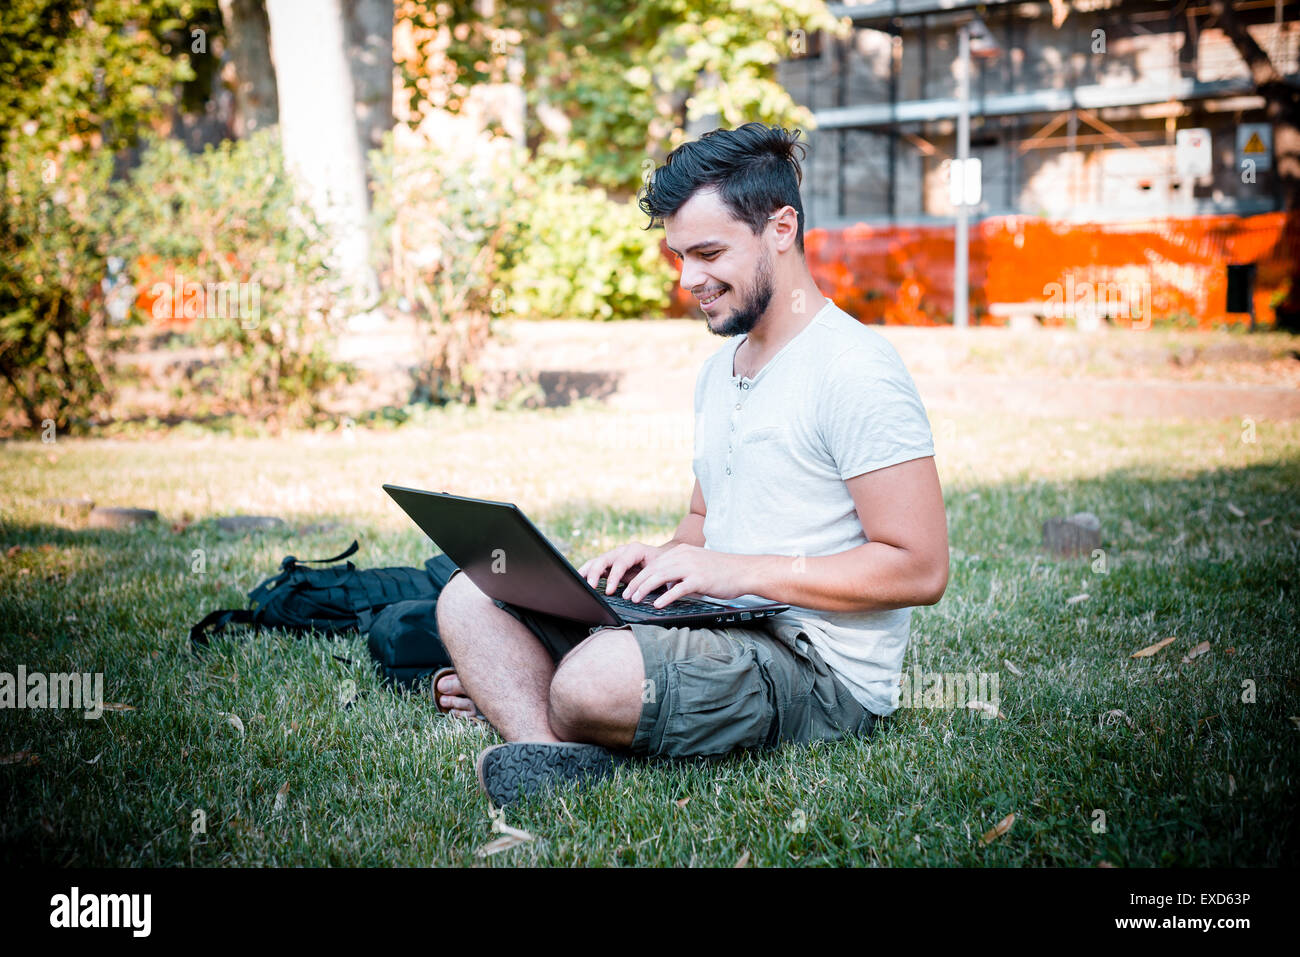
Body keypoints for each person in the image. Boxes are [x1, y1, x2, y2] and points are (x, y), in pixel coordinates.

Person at [434, 122, 949, 807]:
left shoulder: (856, 371)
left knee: (592, 682)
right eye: (679, 255)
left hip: (814, 665)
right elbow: (703, 520)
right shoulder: (720, 370)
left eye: (708, 252)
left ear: (781, 227)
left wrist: (734, 572)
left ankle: (543, 693)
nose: (689, 279)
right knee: (470, 593)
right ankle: (549, 743)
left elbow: (920, 566)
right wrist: (655, 558)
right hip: (719, 618)